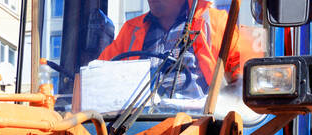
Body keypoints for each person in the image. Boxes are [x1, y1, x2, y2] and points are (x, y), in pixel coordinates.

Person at [98, 0, 242, 96]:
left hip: (197, 128)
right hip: (137, 125)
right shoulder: (130, 30)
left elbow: (243, 84)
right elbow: (98, 75)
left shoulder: (218, 24)